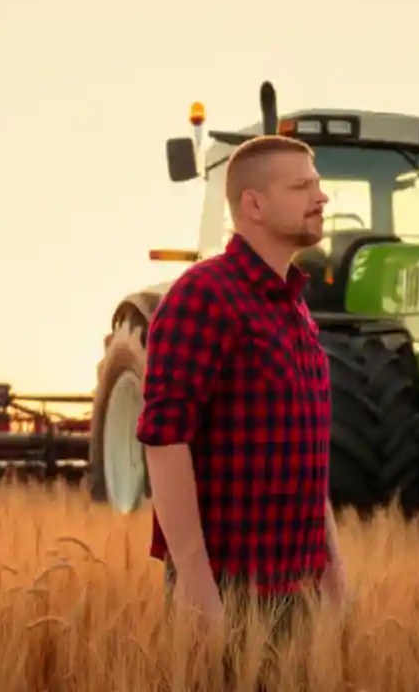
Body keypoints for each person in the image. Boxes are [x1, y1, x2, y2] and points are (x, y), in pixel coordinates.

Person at [136, 134, 347, 637]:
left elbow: (305, 452)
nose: (321, 198)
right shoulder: (203, 296)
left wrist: (333, 570)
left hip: (298, 589)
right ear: (253, 204)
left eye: (317, 185)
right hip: (229, 587)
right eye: (301, 187)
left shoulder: (294, 307)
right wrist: (195, 582)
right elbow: (165, 441)